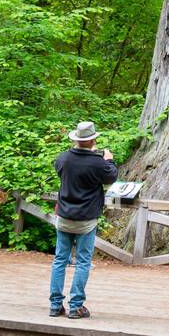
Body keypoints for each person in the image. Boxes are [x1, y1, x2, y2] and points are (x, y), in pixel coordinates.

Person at [49, 121, 118, 319]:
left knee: (59, 260)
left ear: (76, 140)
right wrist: (108, 159)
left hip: (64, 216)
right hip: (86, 220)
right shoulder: (98, 163)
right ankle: (75, 306)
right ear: (93, 139)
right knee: (83, 262)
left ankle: (55, 305)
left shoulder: (64, 159)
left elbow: (61, 169)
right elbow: (111, 177)